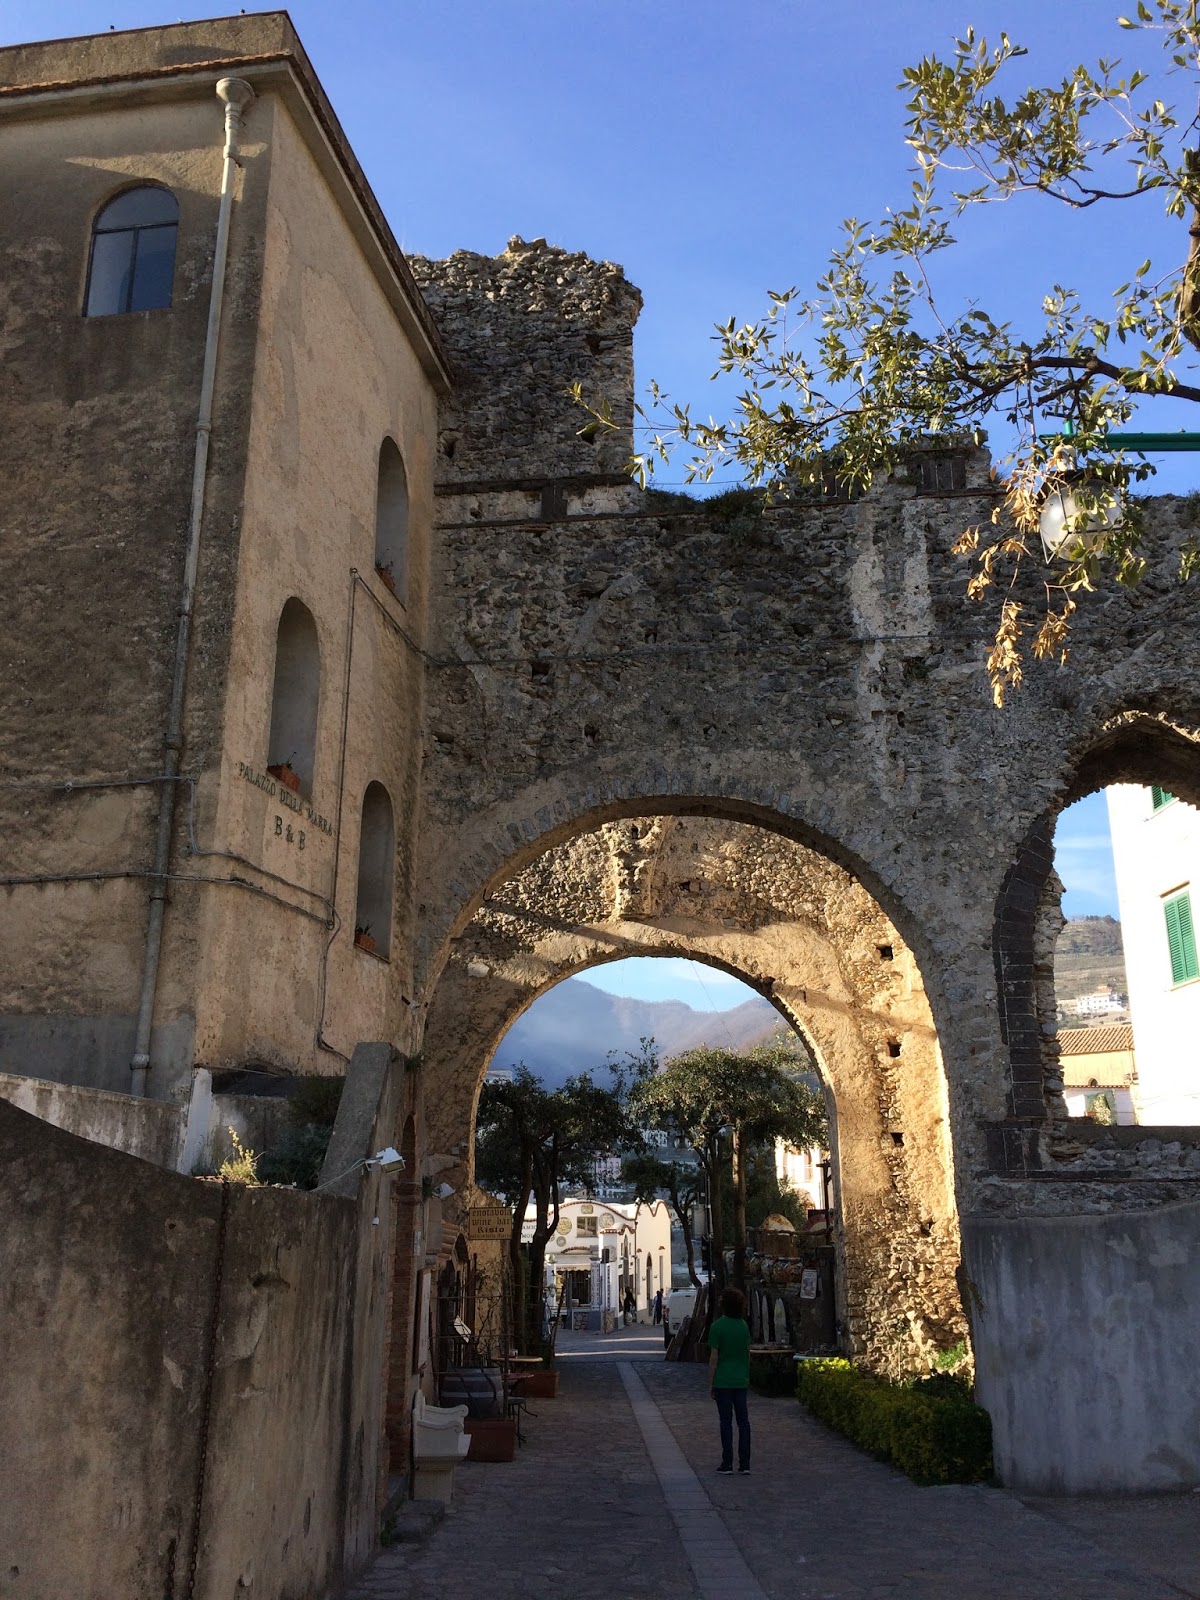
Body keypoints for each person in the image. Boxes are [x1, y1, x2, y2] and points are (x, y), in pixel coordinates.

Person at [707, 1285, 751, 1474]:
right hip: (741, 1380)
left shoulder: (717, 1327)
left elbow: (714, 1358)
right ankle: (745, 1464)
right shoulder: (743, 1326)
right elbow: (747, 1353)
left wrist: (711, 1382)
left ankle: (727, 1463)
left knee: (726, 1422)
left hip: (723, 1381)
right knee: (744, 1422)